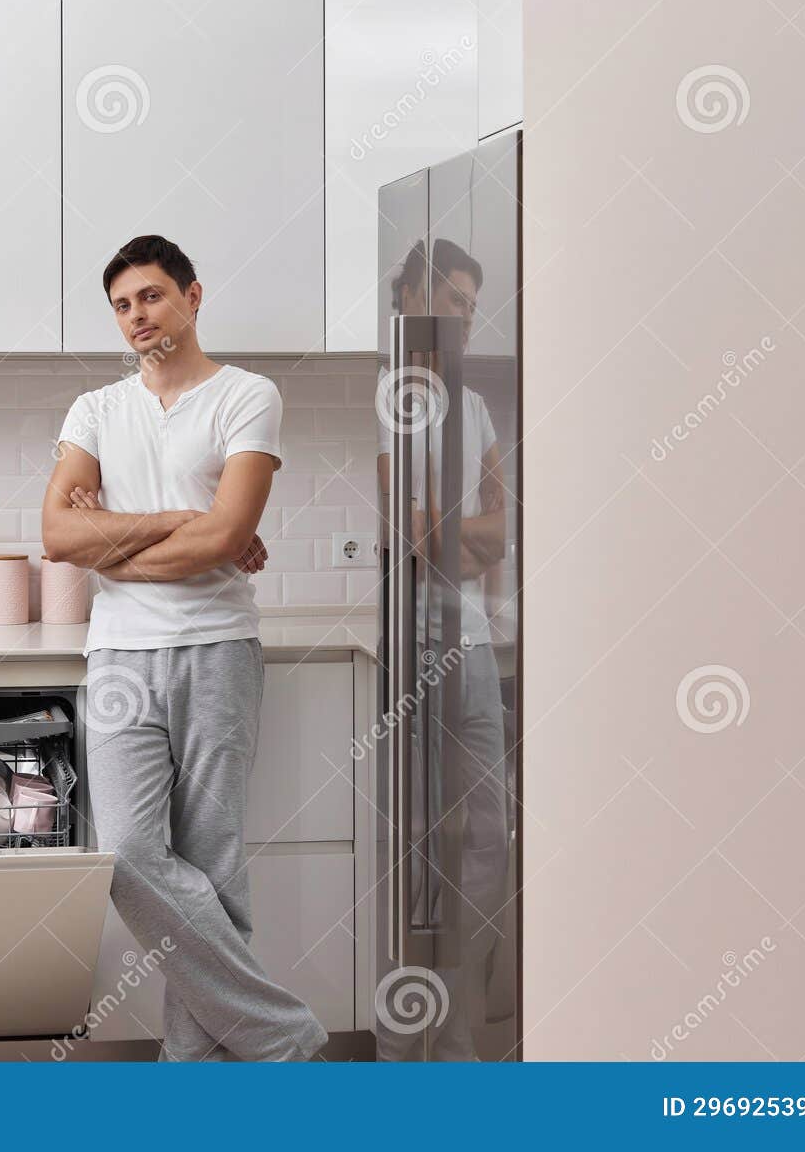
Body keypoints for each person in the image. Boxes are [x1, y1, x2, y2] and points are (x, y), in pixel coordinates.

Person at [42, 234, 328, 1062]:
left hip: (216, 649)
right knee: (131, 854)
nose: (138, 315)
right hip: (121, 654)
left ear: (193, 298)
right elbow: (58, 535)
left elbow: (231, 533)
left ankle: (192, 1074)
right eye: (124, 304)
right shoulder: (94, 410)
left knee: (213, 863)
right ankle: (283, 1035)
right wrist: (182, 522)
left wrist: (122, 538)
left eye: (153, 296)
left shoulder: (248, 396)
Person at [375, 238, 513, 1061]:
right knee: (418, 850)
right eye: (453, 299)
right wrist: (453, 536)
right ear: (414, 294)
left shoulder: (478, 407)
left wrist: (449, 534)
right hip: (411, 646)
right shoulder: (391, 392)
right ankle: (404, 1047)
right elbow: (408, 534)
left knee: (488, 839)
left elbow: (497, 537)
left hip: (468, 642)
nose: (463, 315)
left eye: (471, 304)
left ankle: (457, 1038)